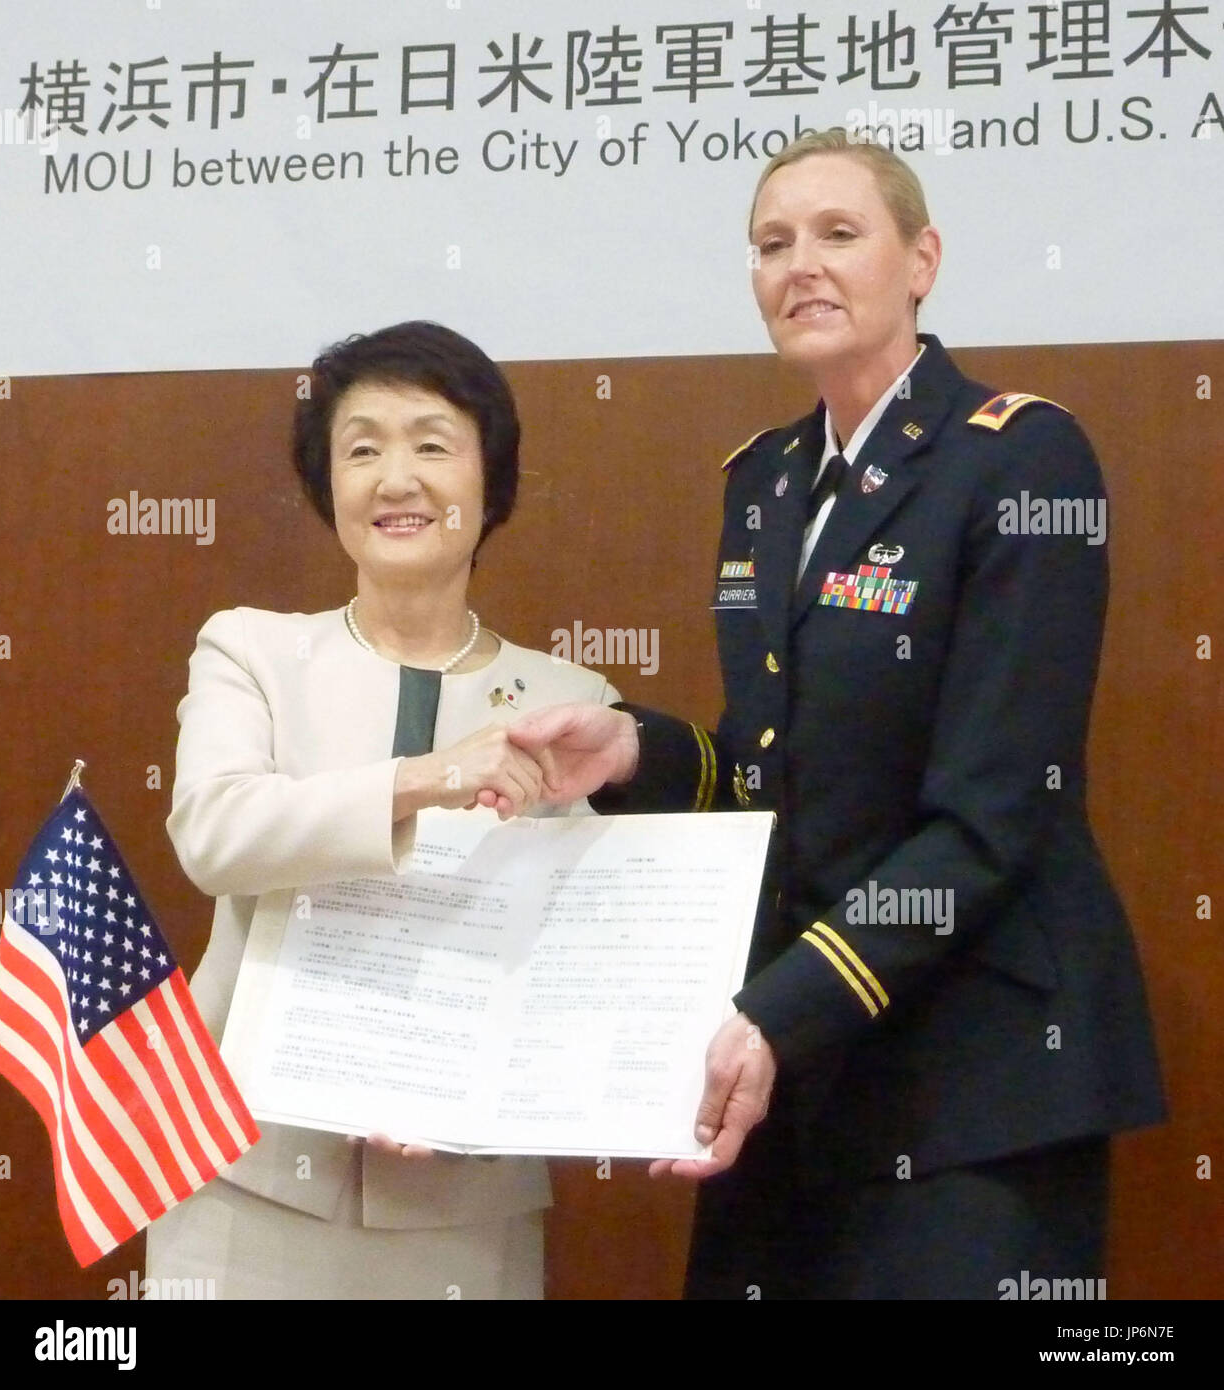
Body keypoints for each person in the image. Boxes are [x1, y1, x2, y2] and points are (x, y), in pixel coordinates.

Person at [508, 128, 1166, 1299]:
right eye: (772, 243)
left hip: (972, 1078)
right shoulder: (761, 481)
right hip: (796, 1073)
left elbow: (995, 815)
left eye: (838, 234)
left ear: (922, 261)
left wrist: (779, 1012)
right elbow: (773, 768)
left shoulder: (1021, 459)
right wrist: (634, 749)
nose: (799, 264)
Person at [146, 321, 619, 1299]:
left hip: (461, 1194)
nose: (395, 477)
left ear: (493, 480)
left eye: (431, 443)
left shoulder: (573, 702)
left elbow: (575, 952)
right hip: (246, 1175)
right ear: (329, 488)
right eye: (361, 448)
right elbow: (216, 833)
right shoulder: (251, 650)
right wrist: (431, 777)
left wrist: (472, 1093)